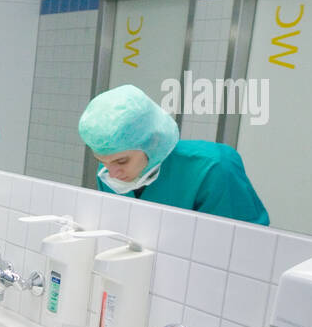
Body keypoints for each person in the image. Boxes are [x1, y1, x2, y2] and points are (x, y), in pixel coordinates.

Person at [78, 84, 269, 225]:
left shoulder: (213, 168)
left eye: (121, 161)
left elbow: (241, 246)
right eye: (102, 161)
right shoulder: (108, 170)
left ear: (152, 141)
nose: (112, 173)